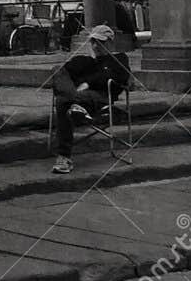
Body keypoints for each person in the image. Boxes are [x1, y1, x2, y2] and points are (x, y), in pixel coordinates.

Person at [50, 23, 131, 174]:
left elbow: (120, 77)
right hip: (79, 97)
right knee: (58, 72)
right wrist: (72, 88)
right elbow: (61, 73)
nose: (96, 46)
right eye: (93, 42)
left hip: (101, 98)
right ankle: (76, 104)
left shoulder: (119, 59)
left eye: (100, 42)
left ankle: (64, 157)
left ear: (111, 42)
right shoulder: (85, 61)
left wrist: (88, 83)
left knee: (62, 102)